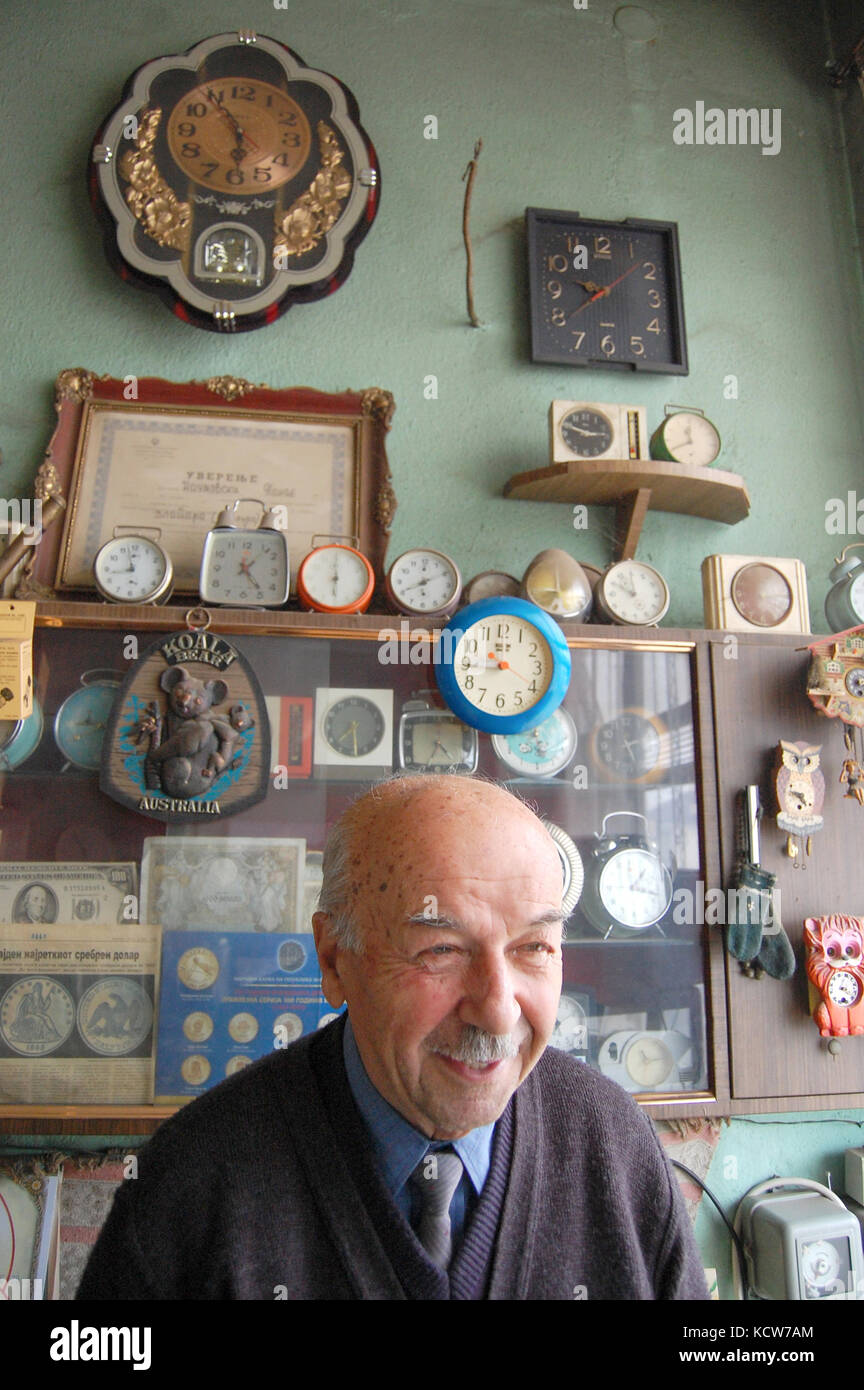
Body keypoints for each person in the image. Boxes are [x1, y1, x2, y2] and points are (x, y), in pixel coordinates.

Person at [77, 775, 708, 1301]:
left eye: (534, 947)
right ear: (333, 960)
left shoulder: (616, 1146)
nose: (496, 1012)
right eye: (441, 949)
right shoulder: (194, 1178)